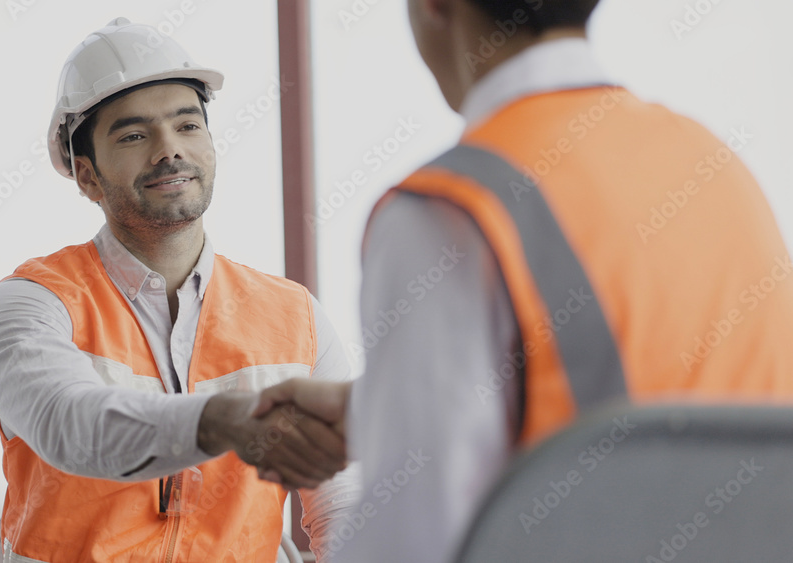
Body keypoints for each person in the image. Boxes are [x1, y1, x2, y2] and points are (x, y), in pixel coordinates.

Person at [283, 0, 793, 561]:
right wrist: (383, 409)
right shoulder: (715, 163)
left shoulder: (446, 212)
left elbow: (410, 541)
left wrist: (398, 424)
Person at [0, 18, 357, 562]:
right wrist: (225, 420)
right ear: (87, 176)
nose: (168, 150)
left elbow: (346, 494)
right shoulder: (33, 303)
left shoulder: (295, 316)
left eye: (188, 126)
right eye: (134, 135)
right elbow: (72, 426)